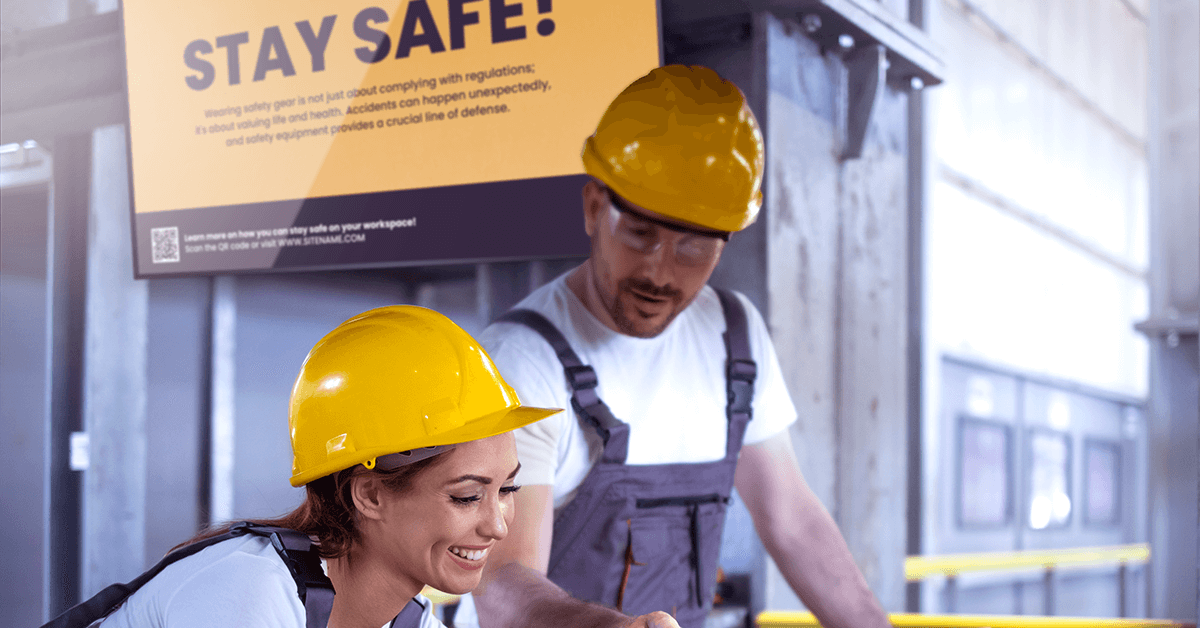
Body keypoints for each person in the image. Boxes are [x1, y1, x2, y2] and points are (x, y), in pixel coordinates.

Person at [456, 66, 893, 628]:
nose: (659, 272)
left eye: (692, 247)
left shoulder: (735, 337)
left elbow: (792, 520)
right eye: (640, 234)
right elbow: (501, 581)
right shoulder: (523, 360)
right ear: (594, 207)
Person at [66, 305, 569, 628]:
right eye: (466, 495)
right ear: (369, 494)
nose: (499, 525)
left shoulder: (415, 620)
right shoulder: (250, 593)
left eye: (508, 489)